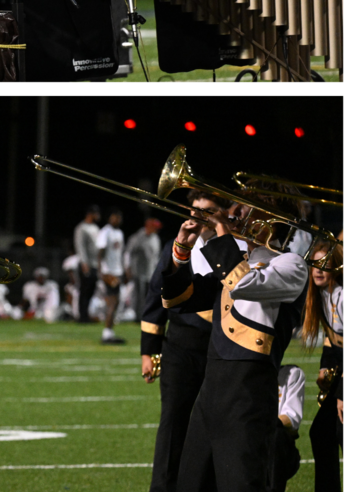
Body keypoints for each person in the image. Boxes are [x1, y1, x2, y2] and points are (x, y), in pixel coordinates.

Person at [161, 184, 307, 491]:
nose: (235, 213)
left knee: (240, 484)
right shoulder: (236, 261)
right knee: (190, 483)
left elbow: (243, 283)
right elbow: (176, 299)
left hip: (249, 393)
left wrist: (221, 232)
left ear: (271, 218)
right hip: (211, 389)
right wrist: (182, 250)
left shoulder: (291, 265)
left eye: (244, 208)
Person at [139, 192, 230, 492]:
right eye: (195, 209)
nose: (199, 215)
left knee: (216, 425)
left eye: (208, 210)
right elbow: (156, 294)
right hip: (180, 345)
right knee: (173, 423)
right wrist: (149, 351)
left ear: (222, 213)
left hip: (220, 347)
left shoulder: (234, 249)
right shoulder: (176, 246)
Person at [301, 242, 342, 492]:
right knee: (321, 433)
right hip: (341, 370)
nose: (318, 269)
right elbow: (331, 338)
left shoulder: (344, 295)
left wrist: (343, 394)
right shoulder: (322, 295)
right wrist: (325, 367)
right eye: (315, 264)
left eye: (325, 264)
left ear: (336, 267)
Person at [270, 364, 306, 492]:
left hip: (275, 447)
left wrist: (261, 424)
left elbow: (291, 418)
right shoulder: (244, 371)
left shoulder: (292, 374)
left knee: (277, 435)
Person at [95, 208, 126, 344]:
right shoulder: (105, 232)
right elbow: (100, 253)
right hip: (109, 272)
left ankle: (109, 332)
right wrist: (101, 272)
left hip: (117, 271)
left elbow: (120, 254)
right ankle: (106, 334)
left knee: (116, 302)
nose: (116, 220)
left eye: (118, 217)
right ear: (109, 218)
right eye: (114, 217)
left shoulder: (119, 233)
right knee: (112, 302)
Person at [125, 217, 163, 322]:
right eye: (154, 227)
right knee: (139, 296)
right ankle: (138, 317)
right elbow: (128, 253)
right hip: (138, 271)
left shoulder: (156, 238)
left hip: (151, 272)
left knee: (149, 295)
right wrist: (127, 267)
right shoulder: (137, 237)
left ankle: (147, 315)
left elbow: (156, 257)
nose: (156, 230)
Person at [72, 204, 101, 323]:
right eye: (96, 213)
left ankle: (86, 314)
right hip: (86, 264)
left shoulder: (95, 228)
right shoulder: (81, 228)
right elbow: (80, 246)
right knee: (84, 290)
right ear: (90, 214)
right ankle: (82, 316)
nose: (98, 215)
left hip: (95, 264)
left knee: (91, 290)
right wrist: (84, 263)